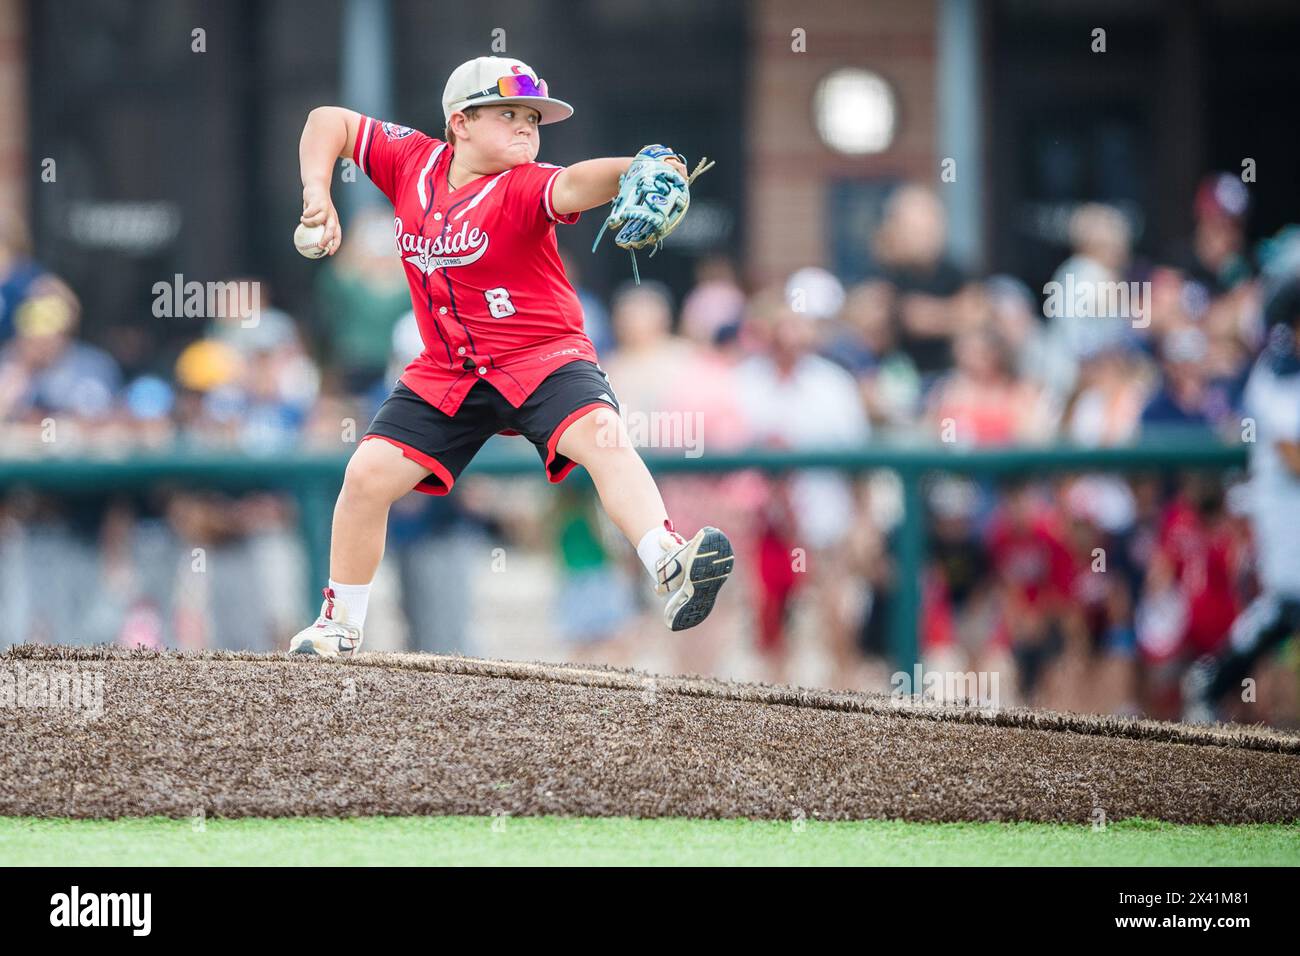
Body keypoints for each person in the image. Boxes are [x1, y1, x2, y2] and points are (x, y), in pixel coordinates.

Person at [287, 55, 734, 656]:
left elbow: (573, 181)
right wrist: (318, 192)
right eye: (509, 113)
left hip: (542, 356)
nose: (527, 127)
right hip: (449, 369)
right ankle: (339, 624)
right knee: (366, 477)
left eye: (533, 117)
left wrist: (637, 169)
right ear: (459, 123)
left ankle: (668, 563)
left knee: (602, 435)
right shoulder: (412, 162)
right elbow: (328, 121)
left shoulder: (522, 184)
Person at [1183, 283, 1300, 721]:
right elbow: (1294, 456)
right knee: (1288, 604)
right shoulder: (1280, 369)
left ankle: (1214, 681)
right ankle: (1213, 680)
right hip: (1286, 506)